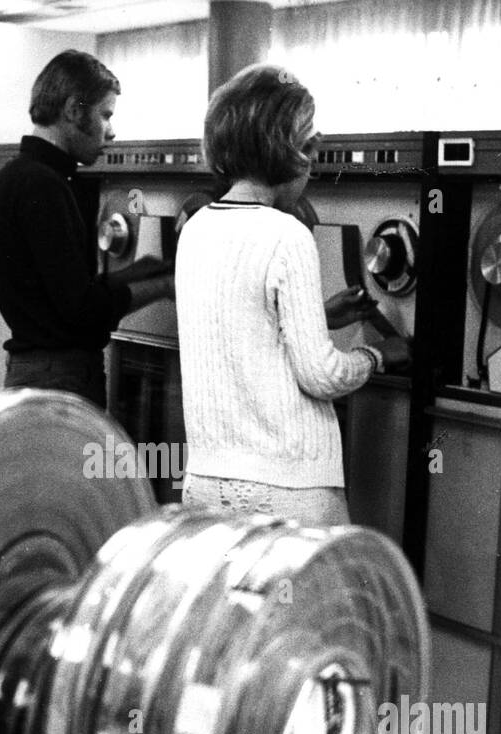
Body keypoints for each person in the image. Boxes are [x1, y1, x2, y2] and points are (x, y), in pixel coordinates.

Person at [174, 63, 411, 527]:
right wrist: (381, 354)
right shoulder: (287, 235)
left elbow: (242, 331)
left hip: (205, 481)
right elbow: (321, 375)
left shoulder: (196, 228)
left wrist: (318, 318)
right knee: (320, 600)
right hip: (288, 486)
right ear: (305, 150)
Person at [0, 50, 173, 409]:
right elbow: (82, 310)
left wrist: (139, 271)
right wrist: (163, 286)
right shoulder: (43, 185)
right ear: (73, 110)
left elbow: (65, 291)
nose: (112, 131)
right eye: (105, 115)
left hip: (42, 372)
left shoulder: (22, 175)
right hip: (59, 377)